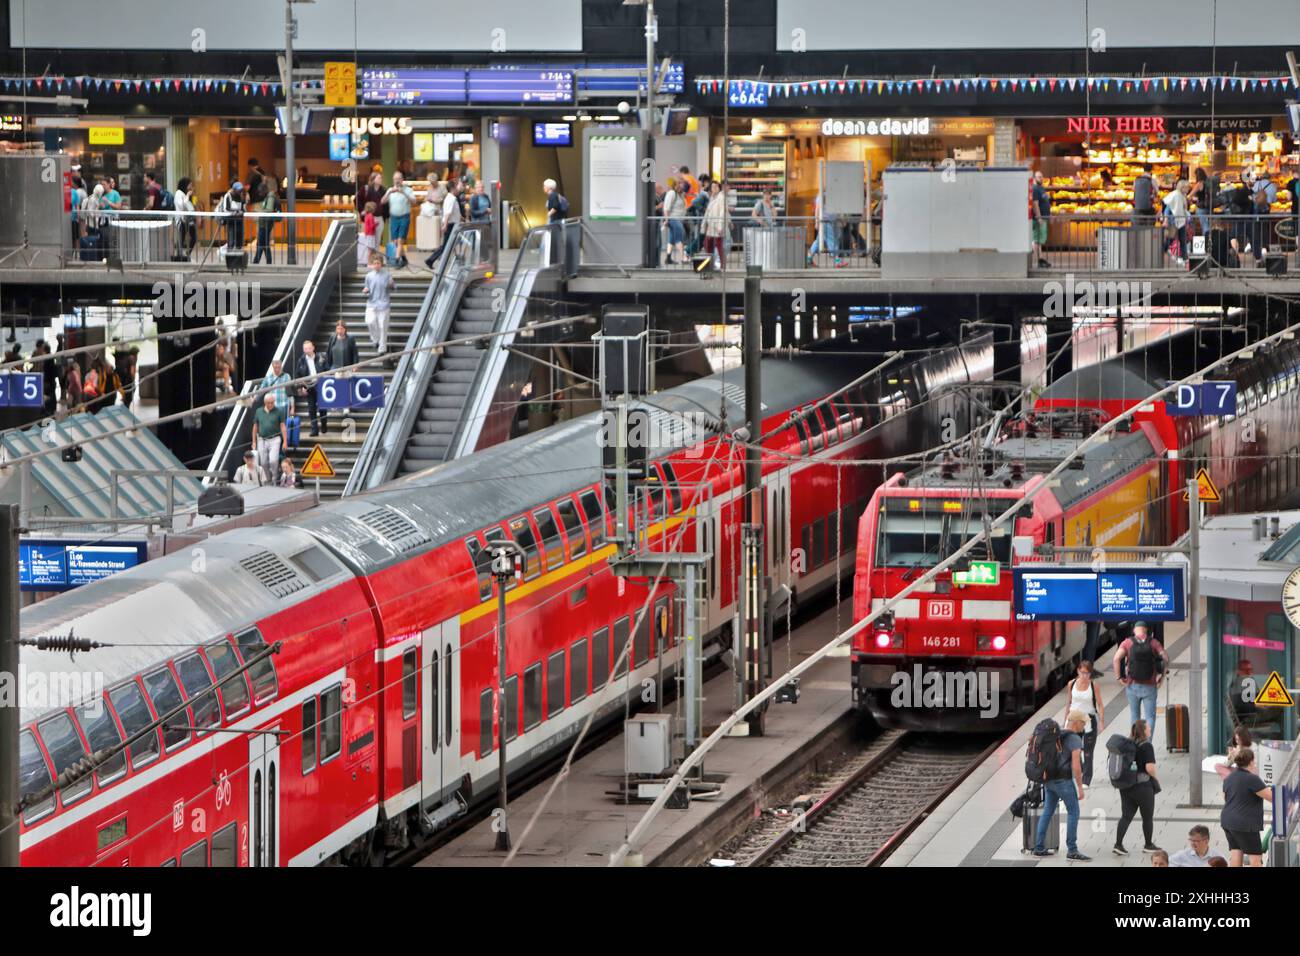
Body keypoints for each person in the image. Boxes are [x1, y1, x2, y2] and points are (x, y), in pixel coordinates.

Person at [1031, 711, 1090, 861]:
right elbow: (1076, 766)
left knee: (1048, 811)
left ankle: (1038, 847)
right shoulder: (1074, 738)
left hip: (1049, 780)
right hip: (1063, 781)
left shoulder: (1056, 735)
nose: (1084, 727)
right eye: (1083, 723)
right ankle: (1072, 850)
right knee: (1073, 812)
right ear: (1076, 723)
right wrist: (1080, 787)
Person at [1113, 622, 1169, 744]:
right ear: (1146, 630)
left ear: (1134, 630)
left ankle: (1135, 743)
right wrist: (1162, 676)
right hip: (1150, 686)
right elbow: (1165, 657)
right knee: (1150, 716)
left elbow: (1116, 658)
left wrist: (1119, 677)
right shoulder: (1153, 642)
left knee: (1135, 715)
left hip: (1132, 685)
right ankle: (1147, 743)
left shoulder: (1128, 642)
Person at [1113, 719, 1161, 857]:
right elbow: (1149, 768)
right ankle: (1148, 844)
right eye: (1148, 728)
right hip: (1143, 787)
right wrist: (1156, 778)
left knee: (1126, 816)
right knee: (1147, 817)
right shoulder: (1147, 746)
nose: (1150, 729)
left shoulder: (1129, 744)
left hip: (1126, 786)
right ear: (1144, 730)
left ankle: (1118, 844)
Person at [1220, 748, 1270, 867]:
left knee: (1236, 854)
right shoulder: (1252, 779)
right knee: (1255, 860)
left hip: (1228, 821)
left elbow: (1226, 798)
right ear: (1252, 762)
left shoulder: (1229, 777)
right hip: (1245, 824)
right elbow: (1272, 797)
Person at [1065, 660, 1104, 787]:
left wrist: (1101, 721)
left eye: (1087, 673)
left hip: (1088, 719)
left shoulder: (1094, 686)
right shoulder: (1071, 684)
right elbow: (1069, 702)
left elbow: (1100, 704)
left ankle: (1087, 779)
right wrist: (1066, 719)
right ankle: (1079, 769)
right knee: (1073, 748)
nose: (1084, 676)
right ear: (1078, 671)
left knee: (1088, 750)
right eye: (1082, 673)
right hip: (1074, 719)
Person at [364, 252, 396, 365]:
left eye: (378, 263)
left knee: (383, 326)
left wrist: (391, 285)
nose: (376, 265)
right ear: (372, 265)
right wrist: (366, 291)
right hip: (371, 303)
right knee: (370, 322)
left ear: (381, 264)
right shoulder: (368, 276)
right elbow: (367, 287)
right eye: (374, 263)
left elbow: (393, 287)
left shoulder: (387, 275)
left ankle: (382, 348)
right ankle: (375, 339)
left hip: (384, 304)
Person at [424, 181, 462, 268]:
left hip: (452, 224)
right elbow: (447, 213)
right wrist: (445, 225)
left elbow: (453, 212)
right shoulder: (451, 199)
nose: (458, 189)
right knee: (446, 246)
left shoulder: (451, 198)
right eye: (457, 187)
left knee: (449, 245)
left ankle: (445, 261)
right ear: (453, 189)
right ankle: (431, 260)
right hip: (450, 225)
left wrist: (461, 218)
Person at [296, 339, 329, 437]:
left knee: (322, 408)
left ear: (313, 348)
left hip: (320, 385)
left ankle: (324, 424)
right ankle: (314, 429)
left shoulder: (321, 357)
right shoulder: (301, 360)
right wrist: (302, 387)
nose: (307, 350)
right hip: (309, 387)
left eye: (309, 348)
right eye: (305, 349)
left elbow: (327, 369)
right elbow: (298, 376)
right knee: (311, 409)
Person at [251, 391, 288, 478]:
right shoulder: (259, 411)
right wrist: (254, 441)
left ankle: (275, 477)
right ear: (265, 403)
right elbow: (255, 427)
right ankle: (268, 479)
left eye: (272, 402)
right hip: (262, 439)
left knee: (273, 460)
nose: (271, 404)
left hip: (275, 439)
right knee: (263, 462)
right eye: (269, 403)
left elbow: (283, 426)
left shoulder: (279, 411)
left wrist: (285, 441)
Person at [383, 172, 416, 269]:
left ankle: (397, 260)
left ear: (402, 180)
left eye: (398, 178)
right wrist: (389, 192)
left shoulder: (408, 190)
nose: (397, 180)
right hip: (393, 218)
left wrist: (404, 193)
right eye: (395, 179)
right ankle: (404, 259)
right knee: (395, 242)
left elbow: (414, 202)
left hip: (404, 217)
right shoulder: (390, 190)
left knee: (401, 240)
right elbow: (382, 201)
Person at [702, 179, 729, 270]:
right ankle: (711, 264)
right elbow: (708, 212)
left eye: (716, 186)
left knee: (718, 245)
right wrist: (705, 224)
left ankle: (722, 265)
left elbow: (722, 212)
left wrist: (720, 226)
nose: (714, 188)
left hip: (717, 225)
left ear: (719, 187)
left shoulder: (721, 197)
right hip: (711, 225)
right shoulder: (712, 197)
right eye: (712, 187)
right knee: (707, 244)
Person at [808, 188, 840, 265]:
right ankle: (837, 260)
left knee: (818, 241)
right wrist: (817, 222)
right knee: (832, 240)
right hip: (825, 222)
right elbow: (817, 209)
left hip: (830, 221)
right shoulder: (821, 196)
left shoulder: (831, 195)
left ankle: (808, 258)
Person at [1162, 179, 1190, 264]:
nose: (1188, 189)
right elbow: (1169, 207)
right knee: (1172, 238)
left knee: (1181, 239)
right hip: (1174, 220)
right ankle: (1164, 251)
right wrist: (1166, 219)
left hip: (1179, 219)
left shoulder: (1181, 195)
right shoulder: (1176, 195)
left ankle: (1184, 257)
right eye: (1187, 187)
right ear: (1182, 187)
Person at [253, 177, 279, 265]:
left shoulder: (270, 196)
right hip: (264, 223)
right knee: (264, 243)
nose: (260, 194)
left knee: (261, 243)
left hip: (266, 223)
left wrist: (258, 211)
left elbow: (269, 209)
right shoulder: (268, 196)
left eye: (260, 192)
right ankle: (268, 261)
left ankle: (256, 261)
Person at [661, 179, 687, 266]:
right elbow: (666, 208)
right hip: (674, 219)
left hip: (678, 219)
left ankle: (668, 258)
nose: (681, 186)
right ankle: (683, 257)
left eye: (682, 184)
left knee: (671, 239)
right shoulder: (672, 193)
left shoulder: (681, 195)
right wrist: (667, 220)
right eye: (679, 184)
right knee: (679, 238)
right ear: (676, 185)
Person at [215, 181, 246, 252]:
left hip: (239, 221)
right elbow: (226, 209)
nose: (240, 191)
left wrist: (241, 212)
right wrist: (235, 213)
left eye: (241, 190)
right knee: (231, 239)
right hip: (231, 220)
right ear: (234, 189)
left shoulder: (241, 197)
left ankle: (238, 255)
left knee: (239, 240)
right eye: (239, 190)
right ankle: (230, 255)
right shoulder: (228, 196)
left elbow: (243, 208)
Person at [1030, 169, 1052, 268]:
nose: (1041, 178)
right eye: (1039, 177)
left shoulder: (1041, 188)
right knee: (1037, 239)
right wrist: (1039, 217)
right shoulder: (1035, 189)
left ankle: (1041, 259)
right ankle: (1039, 259)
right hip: (1039, 219)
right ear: (1035, 178)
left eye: (1042, 176)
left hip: (1043, 217)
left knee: (1040, 239)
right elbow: (1035, 204)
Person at [174, 178, 197, 258]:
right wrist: (187, 196)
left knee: (194, 237)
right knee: (181, 237)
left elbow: (192, 206)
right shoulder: (179, 193)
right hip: (181, 219)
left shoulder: (186, 194)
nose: (191, 186)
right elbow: (181, 205)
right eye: (189, 185)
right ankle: (179, 255)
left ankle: (187, 253)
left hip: (188, 219)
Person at [358, 200, 380, 268]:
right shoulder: (371, 216)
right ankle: (369, 263)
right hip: (371, 235)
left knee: (370, 249)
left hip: (368, 234)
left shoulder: (366, 216)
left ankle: (370, 262)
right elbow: (371, 226)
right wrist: (376, 224)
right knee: (370, 250)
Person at [69, 174, 86, 246]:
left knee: (75, 237)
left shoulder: (75, 192)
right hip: (67, 218)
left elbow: (77, 205)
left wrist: (78, 217)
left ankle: (76, 253)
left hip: (73, 218)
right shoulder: (67, 191)